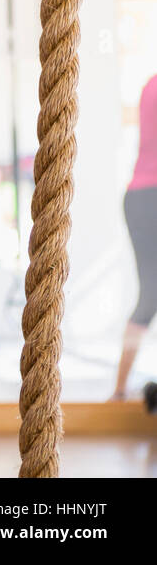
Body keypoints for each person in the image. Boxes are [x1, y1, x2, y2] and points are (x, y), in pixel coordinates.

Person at [111, 72, 157, 402]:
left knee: (149, 295)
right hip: (149, 195)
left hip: (139, 197)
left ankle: (119, 389)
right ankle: (119, 389)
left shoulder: (149, 84)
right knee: (150, 295)